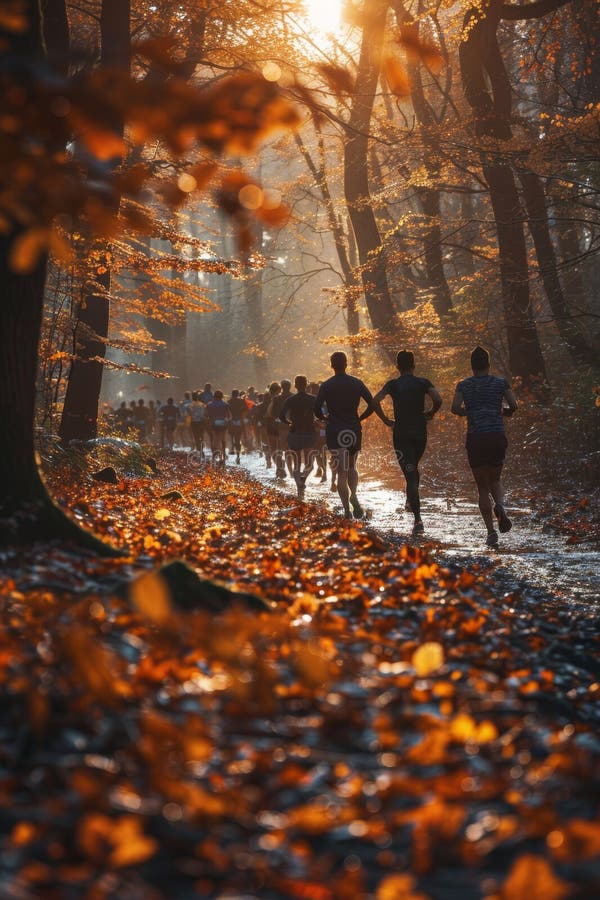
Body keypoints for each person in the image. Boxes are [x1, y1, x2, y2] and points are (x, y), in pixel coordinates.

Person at [451, 346, 518, 548]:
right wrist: (502, 412)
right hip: (496, 436)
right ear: (488, 364)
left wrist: (469, 413)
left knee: (482, 487)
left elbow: (454, 408)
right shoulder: (500, 382)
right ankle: (500, 505)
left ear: (472, 366)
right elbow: (513, 405)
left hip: (476, 438)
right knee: (496, 479)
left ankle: (490, 533)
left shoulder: (463, 385)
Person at [370, 350, 442, 536]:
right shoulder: (423, 382)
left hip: (401, 433)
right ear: (413, 365)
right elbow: (438, 398)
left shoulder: (393, 385)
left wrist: (386, 420)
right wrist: (431, 412)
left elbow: (375, 400)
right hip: (419, 432)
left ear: (397, 367)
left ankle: (418, 520)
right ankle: (411, 500)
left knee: (410, 473)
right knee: (413, 468)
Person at [314, 351, 376, 519]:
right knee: (352, 467)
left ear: (332, 365)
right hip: (353, 429)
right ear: (346, 364)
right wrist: (362, 417)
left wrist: (324, 418)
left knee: (341, 471)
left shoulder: (326, 385)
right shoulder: (356, 383)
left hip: (334, 429)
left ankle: (347, 510)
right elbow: (372, 402)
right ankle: (354, 495)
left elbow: (316, 407)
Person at [279, 375, 317, 499]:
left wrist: (289, 423)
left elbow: (281, 416)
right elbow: (320, 414)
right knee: (310, 463)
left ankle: (299, 491)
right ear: (306, 385)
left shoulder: (290, 400)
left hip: (294, 432)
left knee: (296, 463)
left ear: (295, 385)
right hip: (309, 432)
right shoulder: (313, 399)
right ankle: (303, 478)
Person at [264, 382, 287, 478]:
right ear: (279, 389)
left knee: (273, 448)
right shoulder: (283, 398)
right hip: (282, 425)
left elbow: (265, 413)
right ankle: (281, 465)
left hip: (271, 426)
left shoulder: (266, 399)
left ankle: (279, 466)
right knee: (281, 448)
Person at [206, 390, 231, 463]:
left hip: (213, 424)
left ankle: (217, 454)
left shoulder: (209, 405)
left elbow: (206, 415)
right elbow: (229, 416)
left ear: (214, 396)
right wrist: (226, 420)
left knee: (215, 439)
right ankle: (223, 456)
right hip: (223, 424)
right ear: (222, 396)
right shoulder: (225, 404)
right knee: (223, 439)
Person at [228, 389, 248, 464]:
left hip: (231, 421)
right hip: (239, 421)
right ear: (238, 394)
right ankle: (238, 456)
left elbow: (227, 412)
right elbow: (246, 410)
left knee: (232, 436)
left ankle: (232, 447)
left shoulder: (229, 401)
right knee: (238, 439)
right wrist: (242, 416)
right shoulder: (241, 401)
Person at [189, 391, 207, 455]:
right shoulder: (202, 404)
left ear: (192, 397)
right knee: (201, 436)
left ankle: (198, 449)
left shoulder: (190, 405)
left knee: (196, 437)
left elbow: (189, 414)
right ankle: (201, 449)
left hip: (194, 422)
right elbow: (204, 413)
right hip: (201, 422)